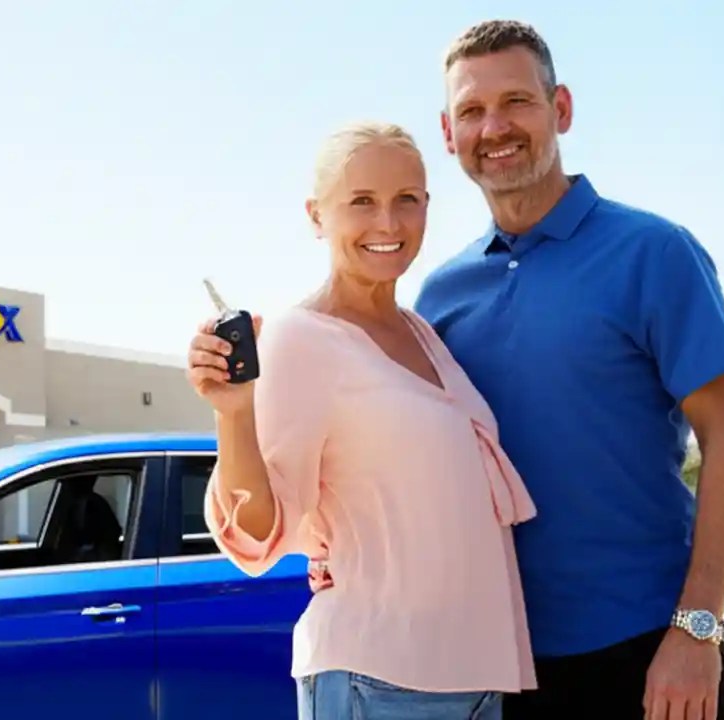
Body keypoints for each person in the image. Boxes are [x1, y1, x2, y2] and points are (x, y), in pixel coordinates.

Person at [408, 19, 724, 720]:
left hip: (654, 660)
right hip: (505, 671)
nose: (495, 127)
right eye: (471, 111)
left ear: (560, 109)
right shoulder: (440, 297)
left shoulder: (654, 252)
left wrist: (697, 632)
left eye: (517, 101)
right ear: (449, 135)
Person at [186, 121, 539, 719]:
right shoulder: (302, 338)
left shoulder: (425, 334)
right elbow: (257, 535)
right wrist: (234, 415)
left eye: (407, 200)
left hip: (473, 682)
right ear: (316, 216)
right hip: (376, 683)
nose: (388, 224)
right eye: (361, 202)